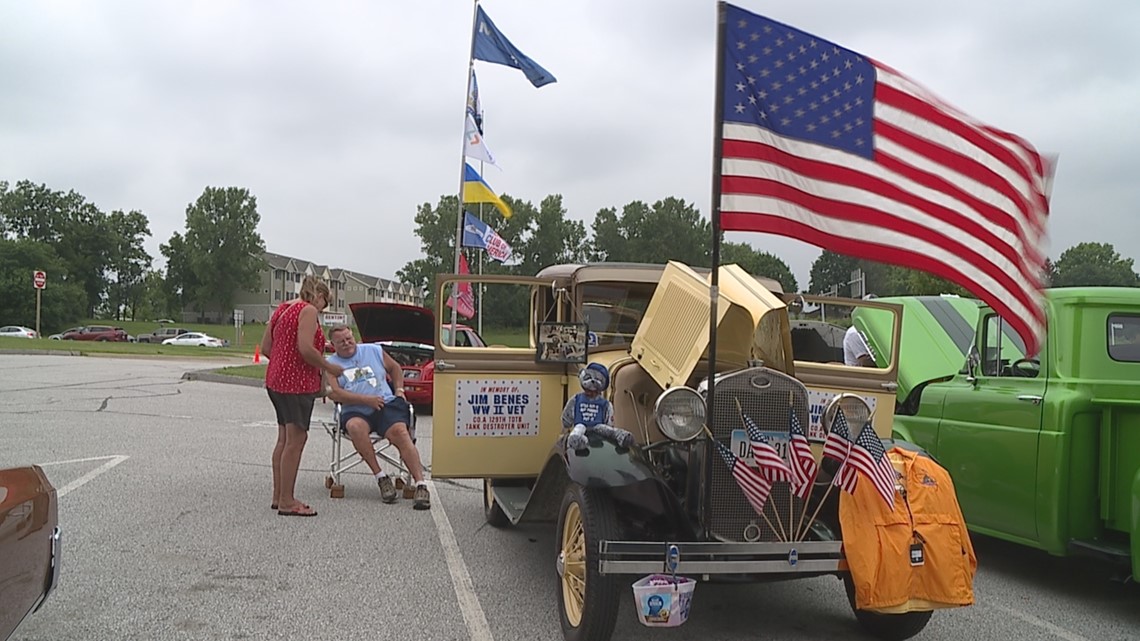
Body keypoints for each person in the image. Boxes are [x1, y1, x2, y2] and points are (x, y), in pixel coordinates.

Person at [262, 276, 344, 517]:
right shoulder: (307, 311)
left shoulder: (283, 309)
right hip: (295, 385)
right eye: (325, 303)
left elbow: (266, 347)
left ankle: (279, 495)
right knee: (296, 441)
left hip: (276, 381)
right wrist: (329, 367)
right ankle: (288, 501)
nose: (323, 308)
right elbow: (306, 348)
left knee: (284, 440)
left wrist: (282, 362)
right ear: (318, 295)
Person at [324, 324, 430, 510]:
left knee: (400, 432)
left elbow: (395, 368)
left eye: (349, 339)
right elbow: (334, 393)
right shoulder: (331, 364)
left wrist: (399, 390)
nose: (347, 343)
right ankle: (381, 478)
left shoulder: (373, 350)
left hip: (386, 403)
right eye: (341, 342)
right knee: (356, 427)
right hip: (354, 409)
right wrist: (365, 400)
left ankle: (420, 484)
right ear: (333, 344)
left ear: (354, 337)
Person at [562, 363, 634, 450]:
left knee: (608, 430)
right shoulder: (577, 399)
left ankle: (621, 436)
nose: (591, 392)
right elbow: (568, 413)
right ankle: (577, 441)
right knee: (578, 429)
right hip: (581, 424)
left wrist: (609, 424)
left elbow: (608, 417)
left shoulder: (604, 403)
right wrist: (567, 422)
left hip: (598, 426)